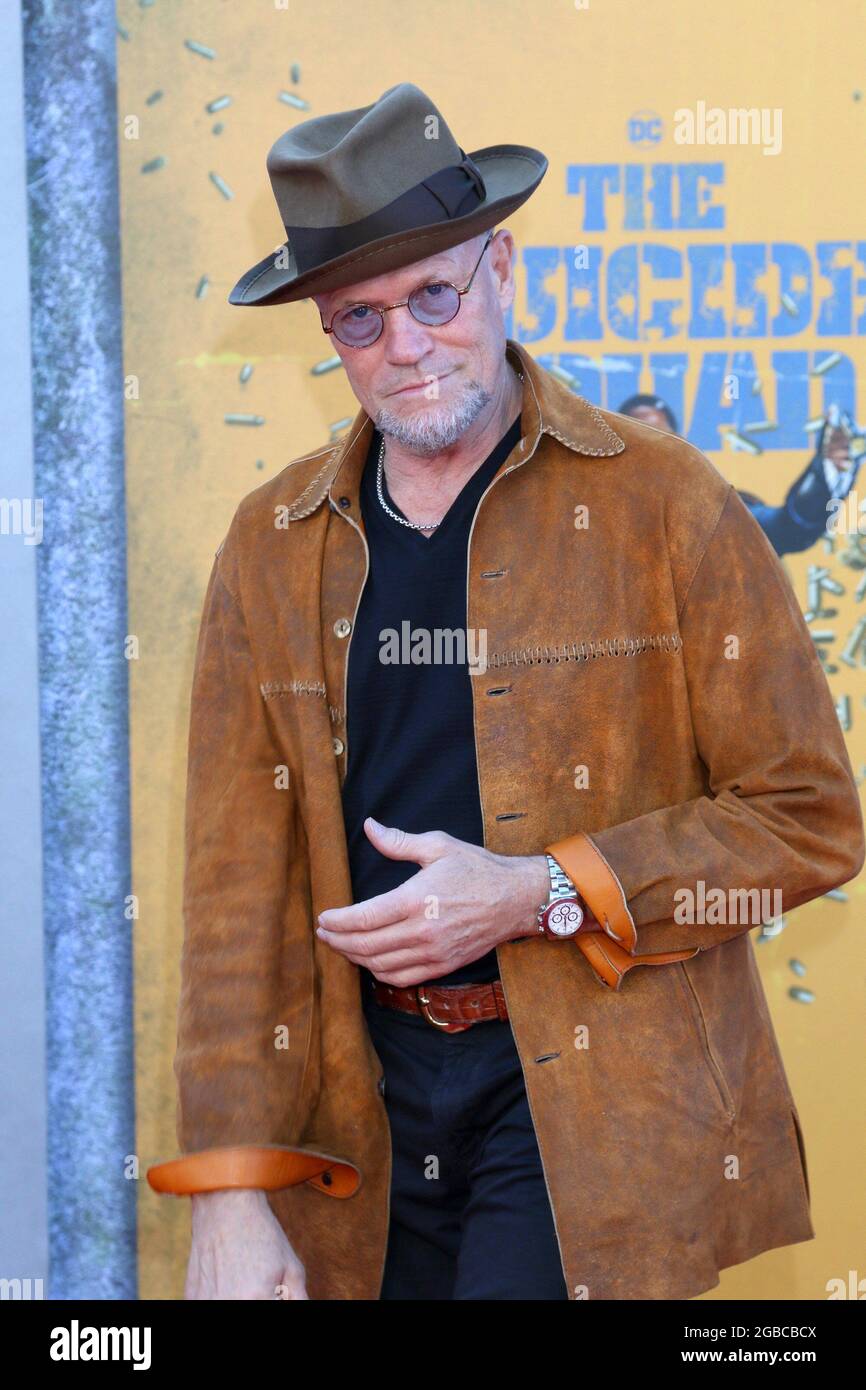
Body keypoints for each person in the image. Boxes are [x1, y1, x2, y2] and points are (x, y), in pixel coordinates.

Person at [147, 82, 866, 1301]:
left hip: (592, 1094)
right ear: (324, 332)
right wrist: (228, 1189)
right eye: (360, 319)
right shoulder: (269, 541)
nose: (406, 345)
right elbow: (234, 894)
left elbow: (805, 814)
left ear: (501, 272)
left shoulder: (664, 502)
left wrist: (540, 893)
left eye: (433, 293)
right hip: (357, 1113)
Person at [617, 393, 863, 557]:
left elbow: (787, 528)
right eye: (638, 438)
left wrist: (820, 480)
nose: (651, 450)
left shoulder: (715, 515)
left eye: (661, 438)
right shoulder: (594, 521)